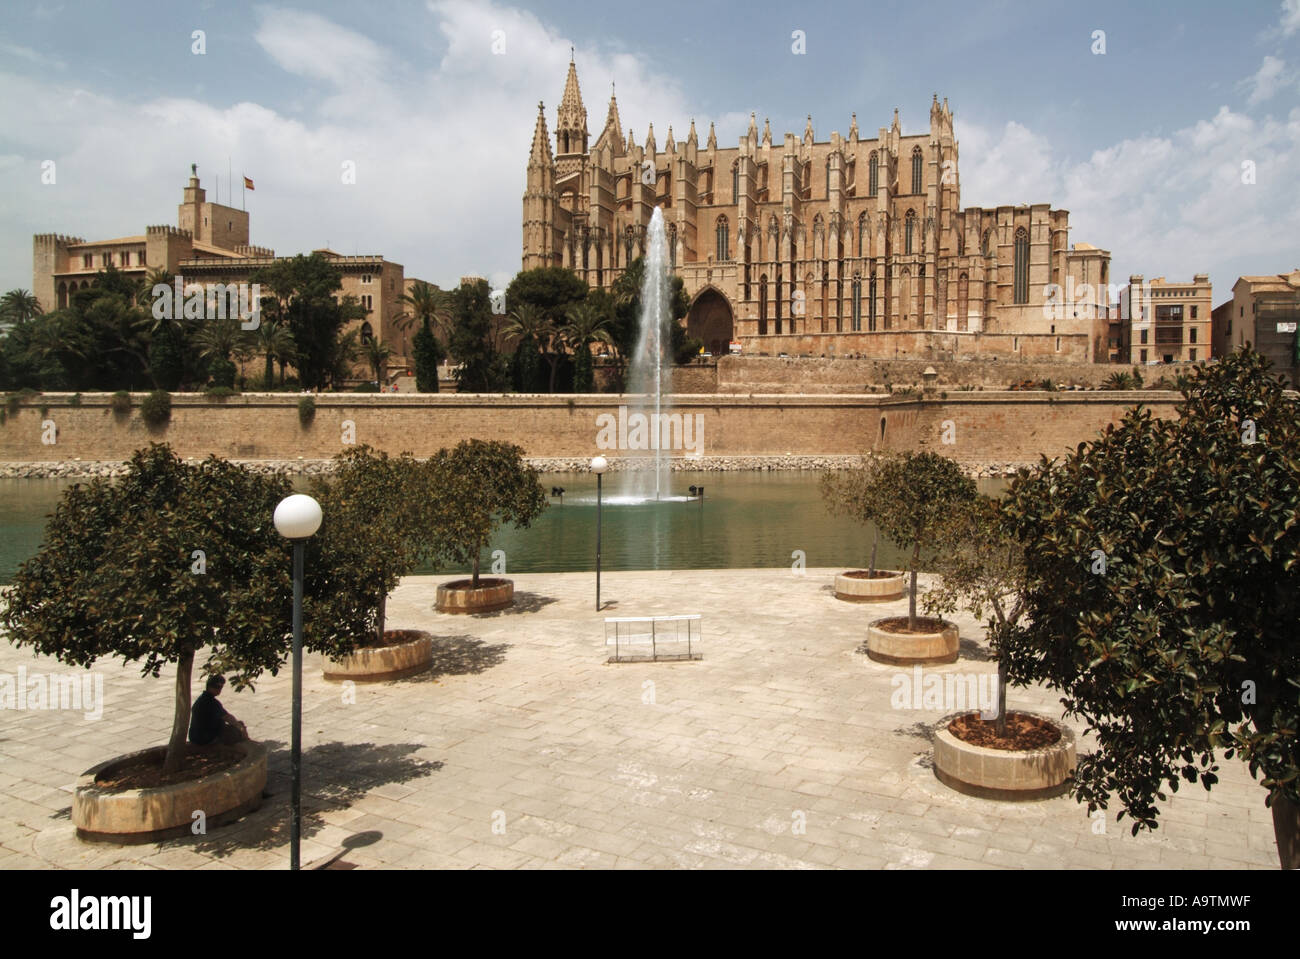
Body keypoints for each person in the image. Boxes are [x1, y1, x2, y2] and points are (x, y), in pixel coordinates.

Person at [188, 675, 249, 746]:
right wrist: (241, 729)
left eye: (221, 687)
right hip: (206, 738)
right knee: (238, 728)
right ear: (209, 687)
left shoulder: (200, 700)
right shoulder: (212, 703)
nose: (219, 689)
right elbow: (228, 718)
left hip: (194, 737)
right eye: (217, 687)